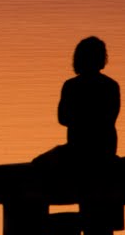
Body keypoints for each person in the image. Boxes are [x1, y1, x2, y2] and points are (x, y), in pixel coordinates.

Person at [39, 36, 120, 164]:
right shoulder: (111, 85)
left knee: (39, 162)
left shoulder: (71, 85)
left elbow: (63, 119)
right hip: (106, 149)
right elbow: (109, 119)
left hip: (78, 149)